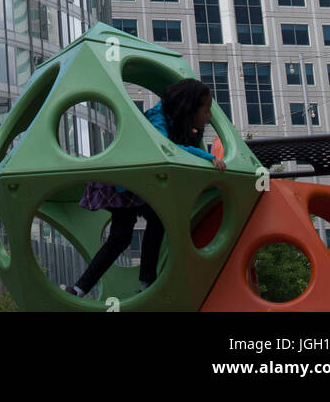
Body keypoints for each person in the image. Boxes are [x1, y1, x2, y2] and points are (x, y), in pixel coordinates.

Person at [62, 78, 226, 299]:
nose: (210, 115)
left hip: (136, 184)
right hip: (123, 182)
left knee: (134, 230)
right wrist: (208, 156)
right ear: (189, 107)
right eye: (206, 110)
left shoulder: (175, 122)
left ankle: (90, 288)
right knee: (124, 235)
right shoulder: (157, 118)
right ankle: (130, 283)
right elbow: (166, 147)